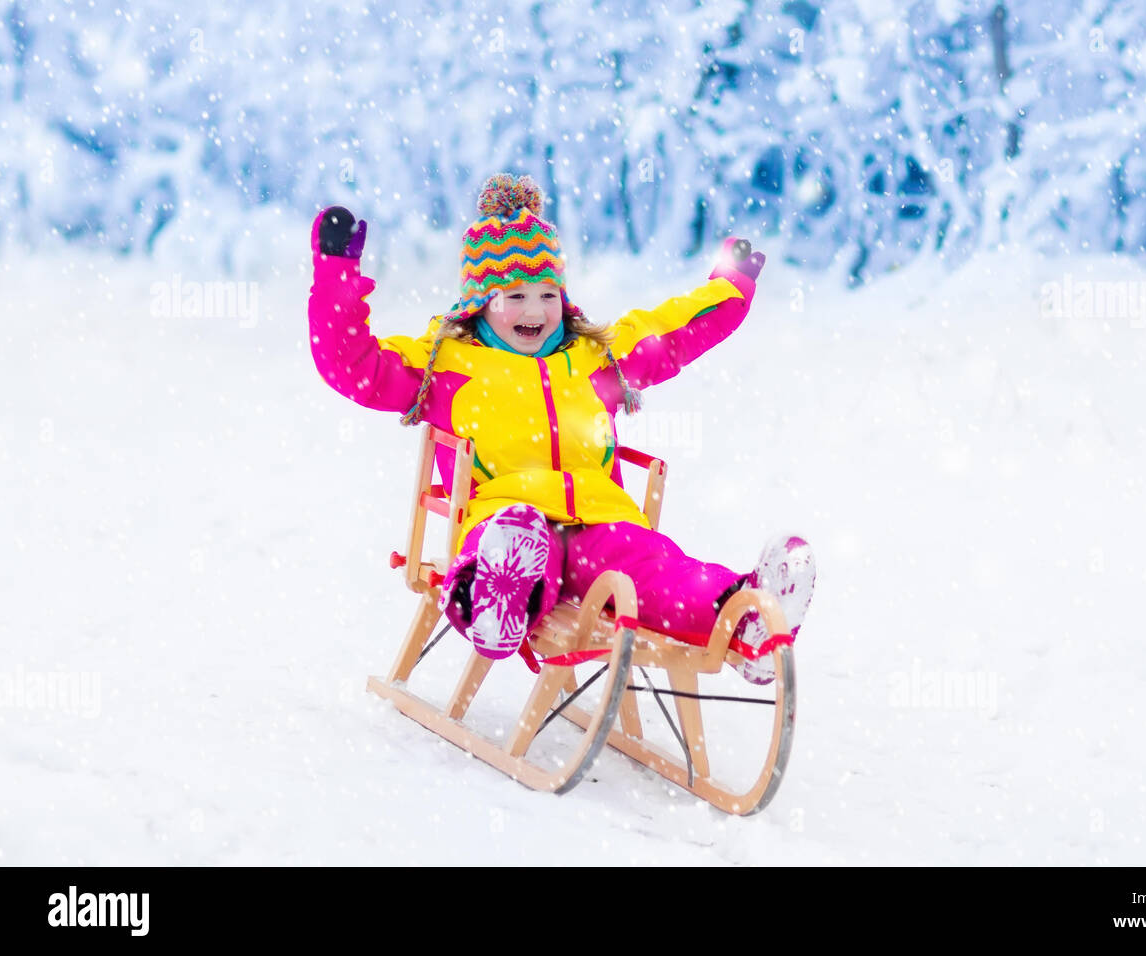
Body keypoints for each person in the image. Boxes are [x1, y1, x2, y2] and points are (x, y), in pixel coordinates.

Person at [308, 172, 814, 683]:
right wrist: (336, 273)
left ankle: (742, 614)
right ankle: (495, 599)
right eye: (516, 295)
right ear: (482, 300)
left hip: (600, 522)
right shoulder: (447, 365)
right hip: (505, 515)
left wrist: (733, 284)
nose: (536, 311)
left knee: (657, 569)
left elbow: (674, 330)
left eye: (549, 294)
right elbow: (354, 364)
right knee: (518, 540)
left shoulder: (596, 359)